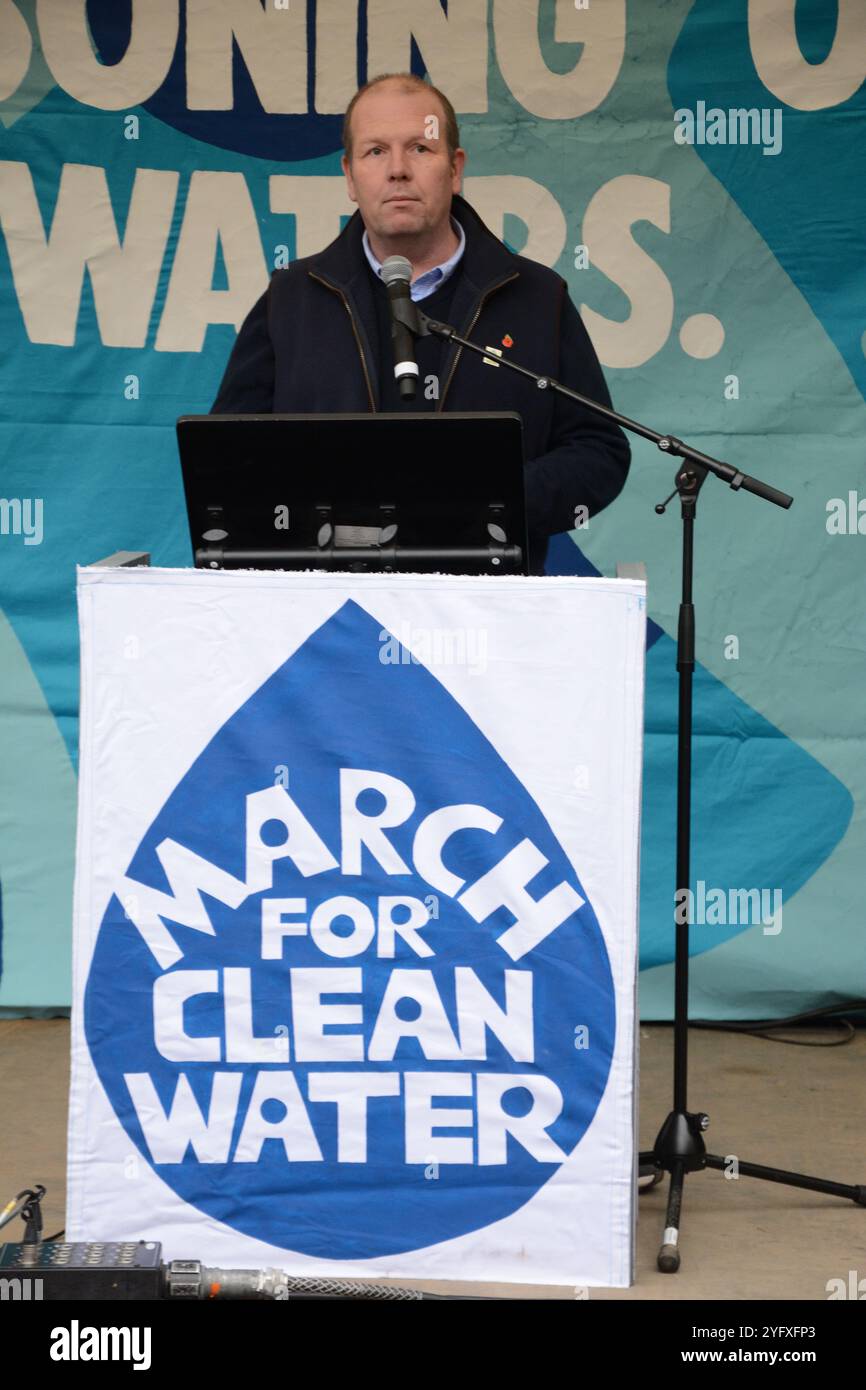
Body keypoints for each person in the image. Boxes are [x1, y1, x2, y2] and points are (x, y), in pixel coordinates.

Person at [211, 73, 630, 573]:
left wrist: (486, 501)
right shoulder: (291, 296)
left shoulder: (538, 298)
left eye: (419, 149)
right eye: (374, 152)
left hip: (488, 610)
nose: (397, 171)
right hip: (326, 611)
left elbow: (598, 451)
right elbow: (226, 457)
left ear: (454, 170)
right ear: (349, 176)